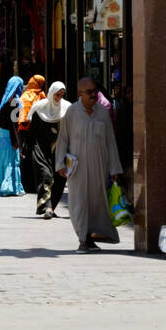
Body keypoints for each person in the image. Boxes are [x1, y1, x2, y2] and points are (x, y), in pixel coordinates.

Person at [55, 76, 124, 253]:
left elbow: (110, 141)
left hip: (99, 167)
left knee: (97, 203)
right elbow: (62, 140)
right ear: (80, 94)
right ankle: (82, 240)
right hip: (77, 168)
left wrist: (115, 168)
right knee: (79, 202)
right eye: (90, 92)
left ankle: (91, 237)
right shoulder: (71, 112)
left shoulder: (102, 112)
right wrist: (60, 163)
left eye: (96, 91)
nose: (94, 95)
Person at [29, 80, 70, 218]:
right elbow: (32, 130)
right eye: (57, 94)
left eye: (61, 95)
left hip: (60, 149)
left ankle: (51, 208)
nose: (58, 98)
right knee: (45, 175)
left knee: (59, 178)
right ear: (51, 93)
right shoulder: (39, 108)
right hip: (40, 148)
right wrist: (26, 148)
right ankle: (45, 206)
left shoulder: (67, 108)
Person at [0, 76, 24, 196]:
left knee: (3, 160)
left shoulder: (5, 101)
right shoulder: (15, 102)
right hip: (10, 135)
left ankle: (2, 186)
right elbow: (13, 124)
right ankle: (9, 187)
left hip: (2, 134)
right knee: (12, 161)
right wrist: (15, 141)